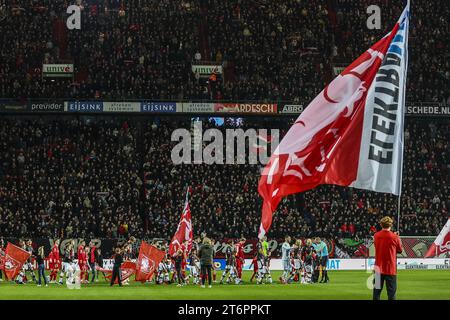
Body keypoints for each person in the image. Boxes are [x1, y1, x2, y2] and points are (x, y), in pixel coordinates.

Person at [373, 216, 403, 300]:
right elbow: (400, 250)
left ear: (381, 224)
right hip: (390, 268)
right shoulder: (395, 237)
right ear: (391, 225)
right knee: (391, 294)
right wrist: (397, 237)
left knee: (376, 293)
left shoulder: (376, 235)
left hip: (378, 268)